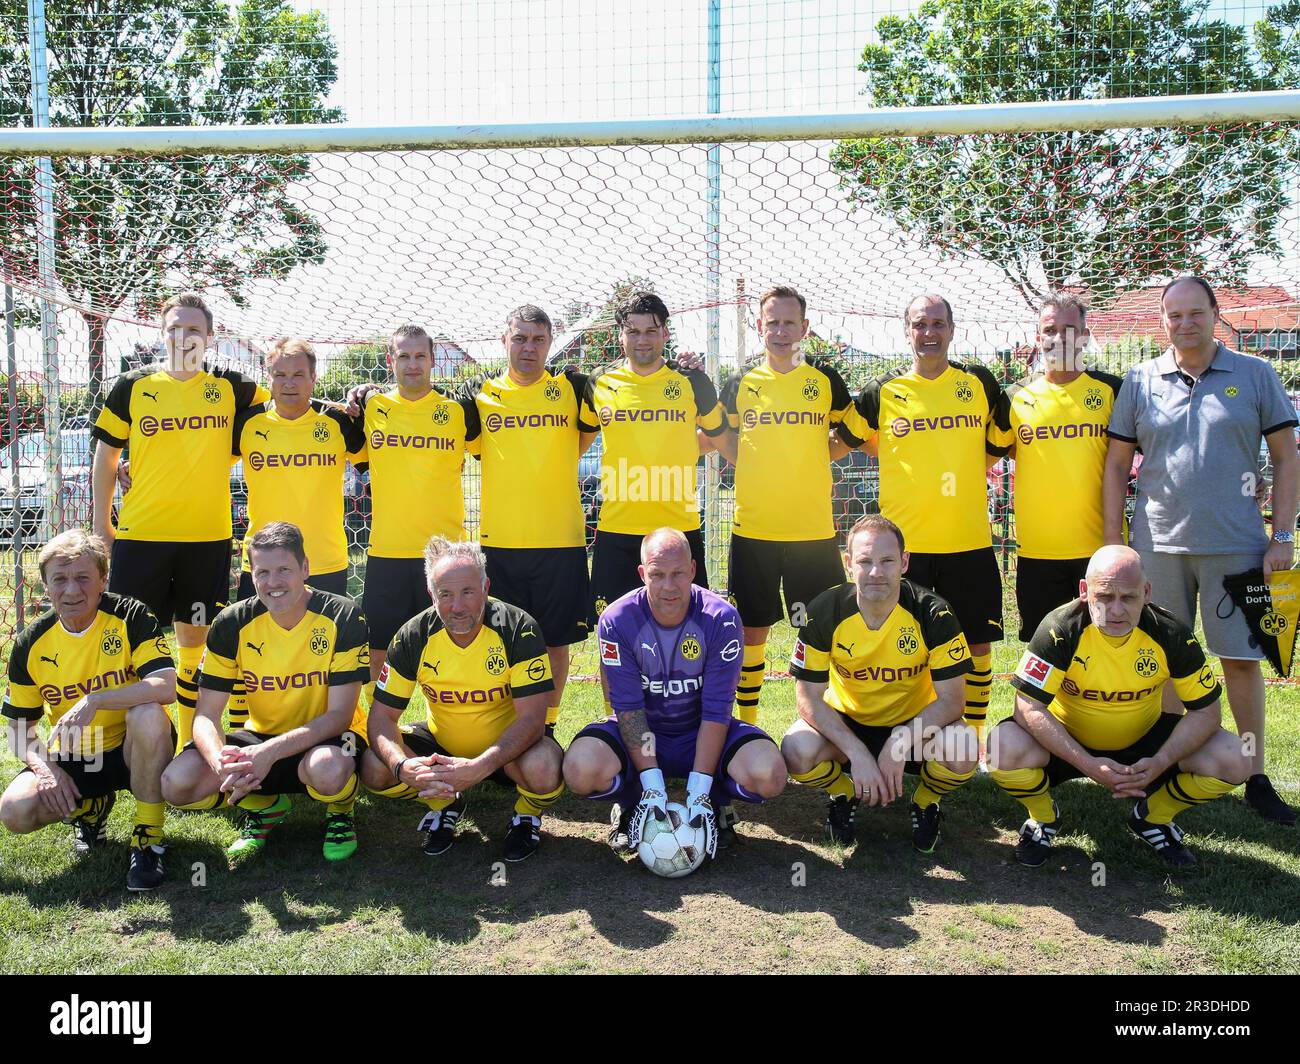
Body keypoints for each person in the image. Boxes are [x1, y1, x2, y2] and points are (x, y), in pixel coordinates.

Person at [1103, 276, 1300, 824]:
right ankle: (1167, 766)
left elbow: (1287, 457)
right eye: (1174, 315)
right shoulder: (1140, 380)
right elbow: (1116, 465)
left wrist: (1282, 536)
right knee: (1165, 663)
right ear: (1161, 321)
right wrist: (1115, 542)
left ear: (1216, 314)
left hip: (1239, 548)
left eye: (1195, 313)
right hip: (1157, 546)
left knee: (1241, 661)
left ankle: (1256, 776)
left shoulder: (1256, 374)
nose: (1185, 324)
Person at [989, 545, 1251, 866]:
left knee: (1236, 757)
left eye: (1128, 597)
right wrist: (1088, 764)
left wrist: (1161, 761)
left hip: (1144, 742)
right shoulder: (1059, 630)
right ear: (1084, 591)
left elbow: (1206, 711)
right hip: (1069, 740)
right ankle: (1043, 818)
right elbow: (1027, 706)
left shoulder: (1172, 634)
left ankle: (1153, 817)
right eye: (1104, 597)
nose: (1115, 610)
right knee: (1002, 747)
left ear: (1147, 592)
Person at [90, 292, 269, 746]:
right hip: (141, 537)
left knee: (194, 646)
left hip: (206, 540)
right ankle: (127, 747)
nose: (184, 337)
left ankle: (191, 743)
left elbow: (287, 403)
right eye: (175, 328)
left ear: (210, 337)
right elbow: (106, 456)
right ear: (162, 332)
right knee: (129, 646)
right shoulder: (133, 385)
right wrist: (101, 526)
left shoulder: (233, 386)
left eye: (193, 329)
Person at [838, 294, 1011, 744]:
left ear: (952, 330)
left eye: (937, 324)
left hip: (968, 541)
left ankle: (972, 740)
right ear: (906, 331)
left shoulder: (979, 383)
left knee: (975, 645)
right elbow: (849, 440)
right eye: (919, 324)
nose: (928, 333)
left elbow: (1000, 443)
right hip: (905, 551)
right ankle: (910, 734)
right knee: (908, 646)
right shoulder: (882, 391)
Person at [562, 528, 787, 856]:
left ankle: (715, 801)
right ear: (642, 574)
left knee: (770, 775)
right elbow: (628, 707)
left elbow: (717, 708)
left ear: (693, 570)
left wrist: (698, 789)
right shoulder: (616, 620)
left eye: (678, 573)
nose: (669, 586)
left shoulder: (722, 618)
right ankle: (632, 801)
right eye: (657, 574)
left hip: (701, 733)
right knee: (579, 770)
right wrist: (653, 786)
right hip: (644, 733)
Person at [160, 523, 369, 862]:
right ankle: (265, 806)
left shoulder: (342, 615)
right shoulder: (231, 622)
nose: (273, 583)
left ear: (305, 568)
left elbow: (339, 716)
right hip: (260, 737)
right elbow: (206, 715)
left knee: (328, 769)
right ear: (251, 574)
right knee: (176, 783)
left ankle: (341, 809)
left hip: (328, 739)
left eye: (284, 570)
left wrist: (269, 753)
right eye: (262, 573)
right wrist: (219, 761)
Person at [360, 537, 563, 863]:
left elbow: (532, 721)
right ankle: (444, 803)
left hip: (509, 752)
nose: (457, 606)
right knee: (374, 765)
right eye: (446, 595)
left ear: (485, 588)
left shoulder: (518, 628)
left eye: (468, 592)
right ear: (432, 595)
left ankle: (526, 815)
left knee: (544, 766)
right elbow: (381, 719)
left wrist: (479, 767)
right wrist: (402, 766)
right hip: (442, 748)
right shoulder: (413, 635)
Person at [782, 514, 977, 852]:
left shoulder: (934, 613)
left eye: (887, 561)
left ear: (904, 562)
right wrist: (856, 751)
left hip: (914, 728)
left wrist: (899, 742)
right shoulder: (823, 611)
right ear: (848, 563)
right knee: (796, 750)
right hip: (847, 724)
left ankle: (926, 801)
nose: (876, 572)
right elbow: (808, 699)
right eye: (865, 561)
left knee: (964, 749)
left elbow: (952, 701)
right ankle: (843, 793)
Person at [1, 530, 176, 890]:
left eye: (83, 577)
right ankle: (89, 807)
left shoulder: (130, 615)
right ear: (46, 586)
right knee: (15, 811)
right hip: (80, 751)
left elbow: (166, 686)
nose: (71, 590)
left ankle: (148, 837)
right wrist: (47, 770)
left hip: (133, 748)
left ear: (103, 580)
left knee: (147, 714)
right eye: (60, 580)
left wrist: (96, 699)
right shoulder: (31, 642)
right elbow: (18, 729)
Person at [713, 285, 853, 725]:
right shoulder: (740, 382)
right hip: (753, 530)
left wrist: (817, 457)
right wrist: (749, 461)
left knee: (819, 630)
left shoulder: (824, 380)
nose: (780, 331)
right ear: (760, 326)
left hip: (813, 532)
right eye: (772, 322)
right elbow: (721, 436)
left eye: (789, 323)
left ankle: (818, 726)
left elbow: (852, 432)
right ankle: (748, 726)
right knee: (751, 630)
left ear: (804, 328)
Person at [460, 305, 593, 734]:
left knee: (555, 642)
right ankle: (507, 730)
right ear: (504, 341)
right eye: (519, 338)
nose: (528, 348)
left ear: (550, 343)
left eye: (538, 340)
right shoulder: (478, 395)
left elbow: (585, 437)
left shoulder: (573, 389)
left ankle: (547, 730)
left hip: (561, 541)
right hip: (501, 544)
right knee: (502, 643)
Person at [578, 292, 727, 622]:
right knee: (614, 631)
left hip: (678, 529)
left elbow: (718, 438)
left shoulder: (689, 381)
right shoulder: (599, 382)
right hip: (618, 529)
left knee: (686, 629)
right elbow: (577, 442)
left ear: (665, 333)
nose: (642, 340)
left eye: (650, 331)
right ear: (620, 335)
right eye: (633, 331)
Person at [354, 324, 480, 705]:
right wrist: (357, 396)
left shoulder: (457, 412)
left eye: (420, 356)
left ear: (433, 360)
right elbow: (356, 458)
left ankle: (448, 724)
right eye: (404, 356)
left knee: (450, 646)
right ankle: (379, 728)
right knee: (378, 650)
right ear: (390, 360)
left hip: (445, 557)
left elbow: (492, 449)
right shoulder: (371, 409)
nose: (412, 364)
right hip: (387, 552)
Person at [1006, 294, 1123, 638]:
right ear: (1038, 337)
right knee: (1046, 648)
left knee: (1107, 643)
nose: (1059, 338)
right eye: (1050, 330)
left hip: (1101, 549)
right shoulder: (1014, 397)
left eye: (1069, 329)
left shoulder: (1112, 390)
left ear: (1085, 336)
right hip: (1037, 551)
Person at [231, 337, 366, 602]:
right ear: (268, 378)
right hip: (262, 563)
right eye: (280, 374)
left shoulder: (337, 421)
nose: (289, 383)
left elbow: (383, 460)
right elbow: (206, 462)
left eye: (298, 375)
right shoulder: (246, 423)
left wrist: (369, 397)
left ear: (313, 377)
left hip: (323, 562)